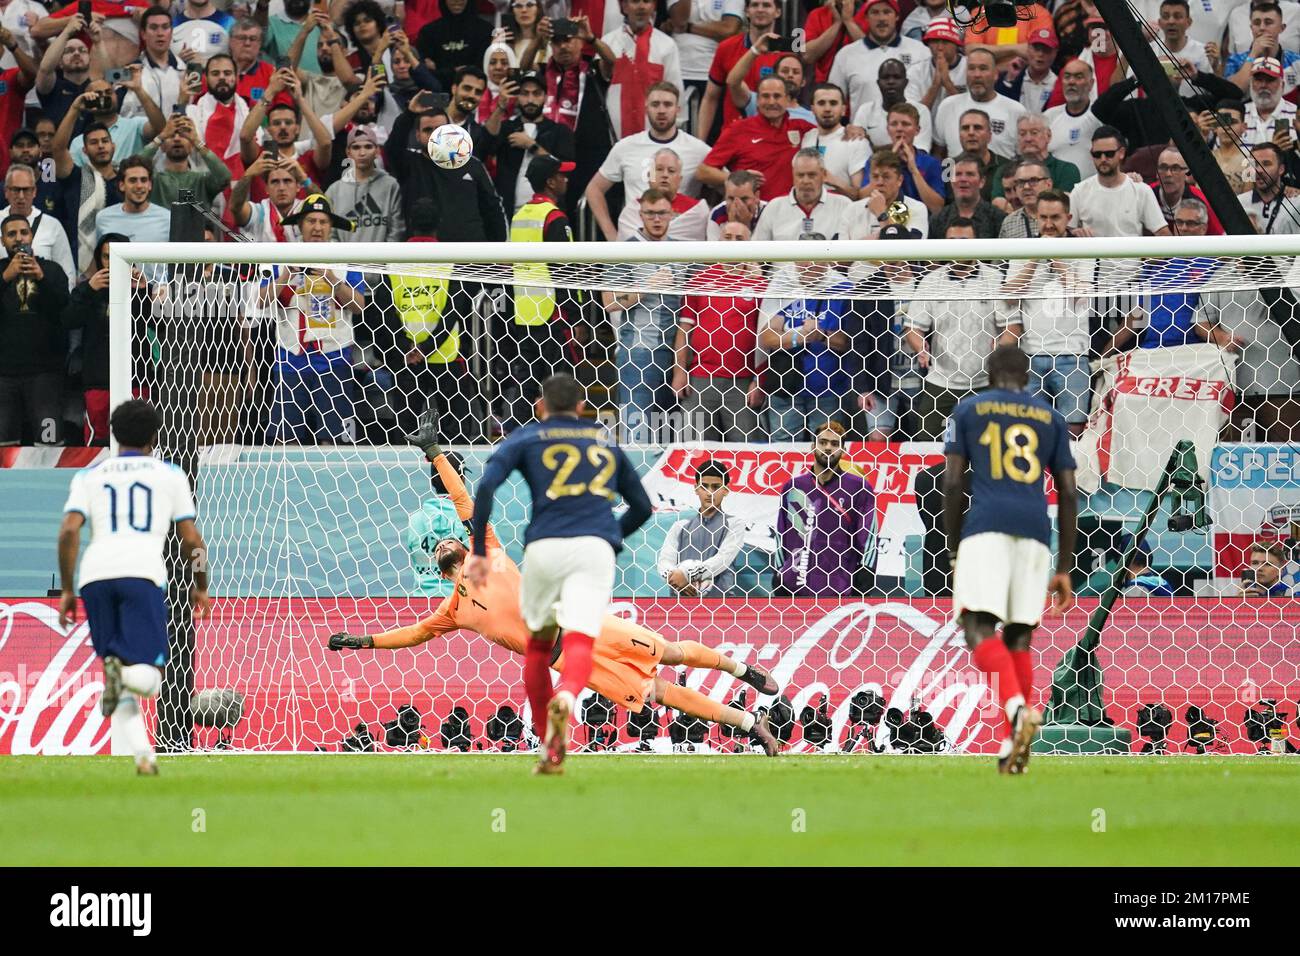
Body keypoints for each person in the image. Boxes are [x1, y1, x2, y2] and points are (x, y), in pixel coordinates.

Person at [329, 431, 777, 752]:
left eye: (455, 539)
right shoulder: (452, 610)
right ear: (440, 566)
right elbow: (412, 634)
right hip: (569, 659)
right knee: (656, 691)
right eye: (443, 544)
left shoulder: (488, 553)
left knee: (670, 653)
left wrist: (434, 454)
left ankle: (742, 670)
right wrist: (362, 641)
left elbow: (466, 502)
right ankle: (747, 722)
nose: (449, 542)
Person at [465, 373, 655, 774]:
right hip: (594, 550)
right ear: (582, 408)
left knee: (538, 647)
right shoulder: (604, 441)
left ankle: (549, 747)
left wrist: (480, 552)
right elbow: (642, 506)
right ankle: (568, 695)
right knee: (580, 639)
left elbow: (486, 486)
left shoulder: (529, 436)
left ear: (541, 406)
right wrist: (608, 537)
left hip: (545, 547)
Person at [56, 399, 211, 775]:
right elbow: (192, 541)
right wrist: (201, 583)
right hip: (140, 575)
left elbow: (69, 530)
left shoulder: (89, 477)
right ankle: (120, 675)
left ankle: (143, 756)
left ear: (112, 433)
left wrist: (66, 589)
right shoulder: (170, 474)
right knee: (149, 679)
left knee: (118, 670)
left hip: (95, 578)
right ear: (154, 437)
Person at [943, 344, 1078, 774]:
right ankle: (1011, 743)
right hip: (1037, 531)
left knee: (977, 626)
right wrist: (1064, 566)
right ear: (1027, 378)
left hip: (987, 525)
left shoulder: (970, 410)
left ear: (988, 372)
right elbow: (1069, 492)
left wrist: (952, 546)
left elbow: (952, 482)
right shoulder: (1051, 418)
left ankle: (1018, 711)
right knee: (1019, 636)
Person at [257, 193, 366, 444]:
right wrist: (285, 276)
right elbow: (260, 300)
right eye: (311, 221)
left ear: (331, 226)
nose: (317, 227)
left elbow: (359, 306)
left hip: (334, 356)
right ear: (300, 225)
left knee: (336, 440)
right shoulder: (280, 258)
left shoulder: (345, 260)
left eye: (323, 221)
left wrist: (332, 279)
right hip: (289, 357)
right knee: (286, 439)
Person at [904, 218, 1011, 439]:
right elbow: (913, 328)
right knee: (925, 445)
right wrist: (920, 347)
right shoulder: (931, 282)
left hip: (985, 381)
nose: (958, 246)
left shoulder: (994, 278)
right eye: (952, 240)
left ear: (976, 242)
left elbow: (1012, 327)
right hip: (941, 381)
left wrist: (1001, 346)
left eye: (964, 240)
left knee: (989, 445)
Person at [998, 191, 1093, 435]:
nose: (1048, 224)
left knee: (1073, 427)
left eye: (1055, 218)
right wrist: (1035, 257)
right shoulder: (1024, 251)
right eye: (1043, 218)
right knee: (1030, 428)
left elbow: (1081, 294)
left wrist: (1055, 257)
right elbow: (1009, 296)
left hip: (1072, 353)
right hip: (1031, 354)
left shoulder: (1085, 250)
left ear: (1068, 217)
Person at [673, 220, 766, 441]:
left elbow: (765, 338)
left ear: (749, 244)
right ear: (718, 241)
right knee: (695, 449)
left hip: (742, 381)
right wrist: (679, 371)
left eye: (740, 238)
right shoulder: (699, 280)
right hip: (701, 378)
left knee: (745, 451)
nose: (733, 243)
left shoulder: (760, 284)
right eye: (727, 237)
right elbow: (684, 329)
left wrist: (760, 381)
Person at [601, 187, 680, 442]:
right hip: (638, 352)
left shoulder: (686, 252)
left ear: (672, 214)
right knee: (638, 432)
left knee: (673, 433)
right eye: (650, 213)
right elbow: (609, 303)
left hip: (678, 355)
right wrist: (646, 288)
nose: (656, 219)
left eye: (662, 213)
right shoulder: (625, 251)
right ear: (641, 214)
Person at [758, 241, 857, 441]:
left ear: (828, 260)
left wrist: (820, 335)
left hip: (829, 389)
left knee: (827, 453)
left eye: (815, 258)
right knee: (783, 451)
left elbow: (850, 342)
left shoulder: (844, 289)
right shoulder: (783, 284)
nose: (808, 264)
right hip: (786, 386)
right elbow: (766, 336)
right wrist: (798, 336)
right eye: (803, 258)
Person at [585, 81, 708, 241]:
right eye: (655, 104)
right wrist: (611, 235)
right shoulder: (625, 147)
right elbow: (594, 189)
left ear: (678, 110)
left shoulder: (698, 150)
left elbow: (724, 182)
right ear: (646, 108)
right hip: (635, 240)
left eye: (668, 104)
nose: (661, 110)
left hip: (682, 242)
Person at [774, 420, 877, 596]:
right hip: (796, 586)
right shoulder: (793, 487)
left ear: (843, 450)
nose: (828, 448)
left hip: (841, 585)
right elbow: (780, 532)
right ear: (813, 446)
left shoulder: (859, 487)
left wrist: (867, 570)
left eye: (835, 443)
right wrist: (779, 572)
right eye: (823, 442)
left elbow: (869, 534)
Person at [384, 96, 508, 241]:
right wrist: (409, 114)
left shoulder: (472, 164)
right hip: (425, 257)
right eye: (428, 130)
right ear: (417, 135)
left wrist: (499, 249)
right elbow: (392, 149)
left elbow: (492, 209)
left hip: (470, 257)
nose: (435, 135)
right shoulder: (409, 164)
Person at [0, 213, 69, 445]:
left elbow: (65, 312)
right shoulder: (1, 270)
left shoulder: (52, 270)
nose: (19, 238)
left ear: (32, 235)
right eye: (11, 234)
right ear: (2, 241)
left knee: (49, 444)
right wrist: (5, 277)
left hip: (45, 375)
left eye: (23, 232)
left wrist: (41, 278)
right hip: (3, 376)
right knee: (3, 447)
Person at [697, 74, 814, 201]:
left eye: (777, 96)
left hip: (789, 212)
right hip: (750, 212)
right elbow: (703, 172)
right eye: (765, 96)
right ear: (757, 100)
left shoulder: (802, 128)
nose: (771, 102)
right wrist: (739, 178)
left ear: (787, 100)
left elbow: (831, 131)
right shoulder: (738, 129)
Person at [481, 69, 575, 214]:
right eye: (525, 94)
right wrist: (500, 107)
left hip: (548, 212)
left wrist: (531, 145)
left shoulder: (559, 131)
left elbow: (563, 170)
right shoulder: (506, 127)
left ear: (545, 96)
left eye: (536, 93)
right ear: (517, 97)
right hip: (508, 211)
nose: (530, 100)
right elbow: (484, 146)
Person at [588, 0, 683, 140]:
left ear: (654, 6)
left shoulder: (667, 45)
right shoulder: (608, 42)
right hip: (611, 133)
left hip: (655, 135)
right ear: (624, 6)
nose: (641, 7)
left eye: (647, 1)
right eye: (635, 1)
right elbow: (598, 89)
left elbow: (676, 90)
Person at [658, 459, 748, 597]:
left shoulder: (735, 524)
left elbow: (722, 560)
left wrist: (686, 575)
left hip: (720, 604)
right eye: (704, 486)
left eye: (716, 486)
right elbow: (664, 561)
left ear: (726, 490)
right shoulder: (680, 526)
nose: (709, 492)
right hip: (680, 603)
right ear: (696, 489)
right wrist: (674, 578)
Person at [696, 0, 783, 138]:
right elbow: (710, 98)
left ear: (778, 12)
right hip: (733, 136)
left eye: (766, 5)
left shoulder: (788, 50)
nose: (760, 10)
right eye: (755, 5)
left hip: (772, 137)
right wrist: (700, 141)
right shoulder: (726, 47)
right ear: (746, 11)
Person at [50, 107, 119, 274]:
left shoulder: (127, 181)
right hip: (80, 266)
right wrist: (74, 108)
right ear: (84, 151)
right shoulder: (76, 178)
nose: (101, 146)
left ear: (113, 146)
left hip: (120, 261)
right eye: (94, 143)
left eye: (105, 141)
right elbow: (58, 149)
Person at [827, 0, 927, 116]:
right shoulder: (846, 55)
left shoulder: (920, 52)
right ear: (866, 17)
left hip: (909, 131)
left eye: (887, 12)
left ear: (897, 16)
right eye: (875, 12)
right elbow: (833, 101)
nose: (881, 18)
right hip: (862, 132)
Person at [1070, 127, 1171, 238]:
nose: (1103, 159)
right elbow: (1067, 230)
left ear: (1121, 153)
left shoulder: (1141, 190)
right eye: (1097, 154)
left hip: (1132, 255)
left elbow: (1163, 233)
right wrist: (1075, 233)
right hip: (1092, 254)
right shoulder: (1080, 191)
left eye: (1109, 154)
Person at [932, 48, 1025, 159]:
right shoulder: (947, 106)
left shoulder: (1016, 110)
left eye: (983, 68)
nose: (977, 75)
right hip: (957, 175)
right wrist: (946, 177)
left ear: (995, 74)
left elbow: (1023, 157)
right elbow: (939, 153)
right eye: (971, 68)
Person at [324, 125, 404, 241]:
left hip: (384, 258)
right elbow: (330, 233)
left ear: (377, 151)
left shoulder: (391, 186)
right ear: (348, 152)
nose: (362, 153)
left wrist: (384, 258)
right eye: (356, 147)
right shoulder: (334, 191)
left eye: (368, 147)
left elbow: (397, 230)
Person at [753, 148, 853, 240]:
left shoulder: (843, 206)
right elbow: (755, 253)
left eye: (812, 175)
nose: (805, 181)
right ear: (793, 175)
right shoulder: (774, 207)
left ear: (823, 175)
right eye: (800, 175)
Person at [2, 162, 76, 287]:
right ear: (6, 192)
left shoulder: (53, 225)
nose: (21, 196)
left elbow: (67, 273)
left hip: (44, 302)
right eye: (15, 190)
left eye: (26, 190)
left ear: (35, 191)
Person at [137, 114, 232, 209]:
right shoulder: (153, 180)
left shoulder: (202, 181)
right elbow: (134, 167)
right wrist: (161, 137)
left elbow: (224, 177)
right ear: (162, 146)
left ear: (192, 146)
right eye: (171, 136)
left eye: (183, 135)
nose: (177, 139)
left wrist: (197, 141)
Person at [800, 82, 870, 198]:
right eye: (821, 103)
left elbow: (862, 196)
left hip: (843, 213)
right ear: (812, 109)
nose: (827, 109)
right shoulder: (807, 137)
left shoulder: (856, 141)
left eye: (833, 103)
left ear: (843, 109)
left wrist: (834, 181)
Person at [992, 113, 1081, 201]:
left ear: (1048, 135)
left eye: (1034, 133)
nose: (1028, 139)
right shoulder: (1004, 171)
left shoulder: (1066, 170)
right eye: (1022, 134)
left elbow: (1061, 205)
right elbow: (999, 204)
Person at [848, 147, 928, 239]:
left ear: (899, 180)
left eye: (886, 177)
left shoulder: (916, 208)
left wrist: (882, 214)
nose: (880, 182)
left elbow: (911, 249)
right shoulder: (851, 210)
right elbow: (840, 250)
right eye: (875, 176)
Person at [416, 0, 496, 90]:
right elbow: (424, 73)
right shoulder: (428, 32)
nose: (457, 1)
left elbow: (484, 69)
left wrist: (442, 71)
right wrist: (453, 72)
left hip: (476, 92)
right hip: (437, 94)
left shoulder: (485, 30)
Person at [33, 12, 93, 129]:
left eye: (82, 50)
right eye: (69, 51)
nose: (76, 53)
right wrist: (66, 32)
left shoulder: (96, 86)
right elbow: (45, 69)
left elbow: (107, 70)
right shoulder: (52, 87)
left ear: (90, 59)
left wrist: (98, 41)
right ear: (59, 62)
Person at [94, 156, 172, 245]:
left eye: (143, 180)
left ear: (149, 185)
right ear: (122, 185)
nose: (139, 186)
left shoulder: (167, 219)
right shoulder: (103, 218)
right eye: (133, 180)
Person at [926, 151, 1003, 239]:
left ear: (982, 181)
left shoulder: (997, 219)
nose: (963, 179)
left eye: (970, 174)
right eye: (958, 174)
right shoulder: (938, 220)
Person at [1238, 142, 1300, 234]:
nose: (1259, 170)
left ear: (1281, 169)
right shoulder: (1238, 203)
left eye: (1266, 164)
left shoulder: (1297, 203)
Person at [1243, 56, 1297, 147]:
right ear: (1250, 84)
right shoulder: (1239, 114)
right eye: (1258, 80)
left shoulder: (1296, 115)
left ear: (1282, 85)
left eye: (1270, 80)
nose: (1263, 85)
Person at [705, 167, 766, 237]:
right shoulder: (716, 215)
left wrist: (745, 225)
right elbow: (716, 247)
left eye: (744, 199)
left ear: (756, 196)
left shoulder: (768, 212)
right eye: (731, 198)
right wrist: (732, 227)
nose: (737, 204)